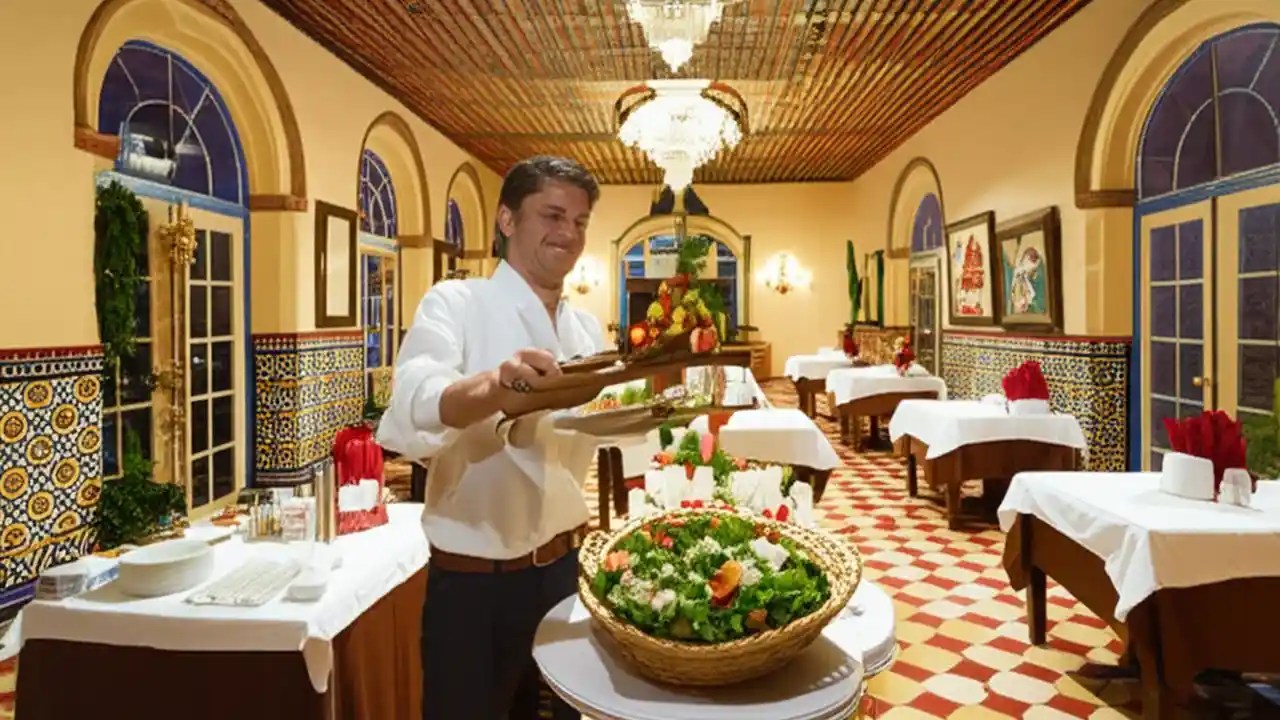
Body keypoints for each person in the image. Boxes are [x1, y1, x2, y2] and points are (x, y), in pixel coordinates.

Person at [377, 155, 605, 719]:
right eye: (553, 215)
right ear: (507, 219)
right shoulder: (457, 302)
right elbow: (416, 400)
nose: (569, 233)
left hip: (565, 571)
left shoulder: (585, 328)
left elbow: (599, 424)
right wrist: (498, 387)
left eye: (579, 221)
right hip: (476, 584)